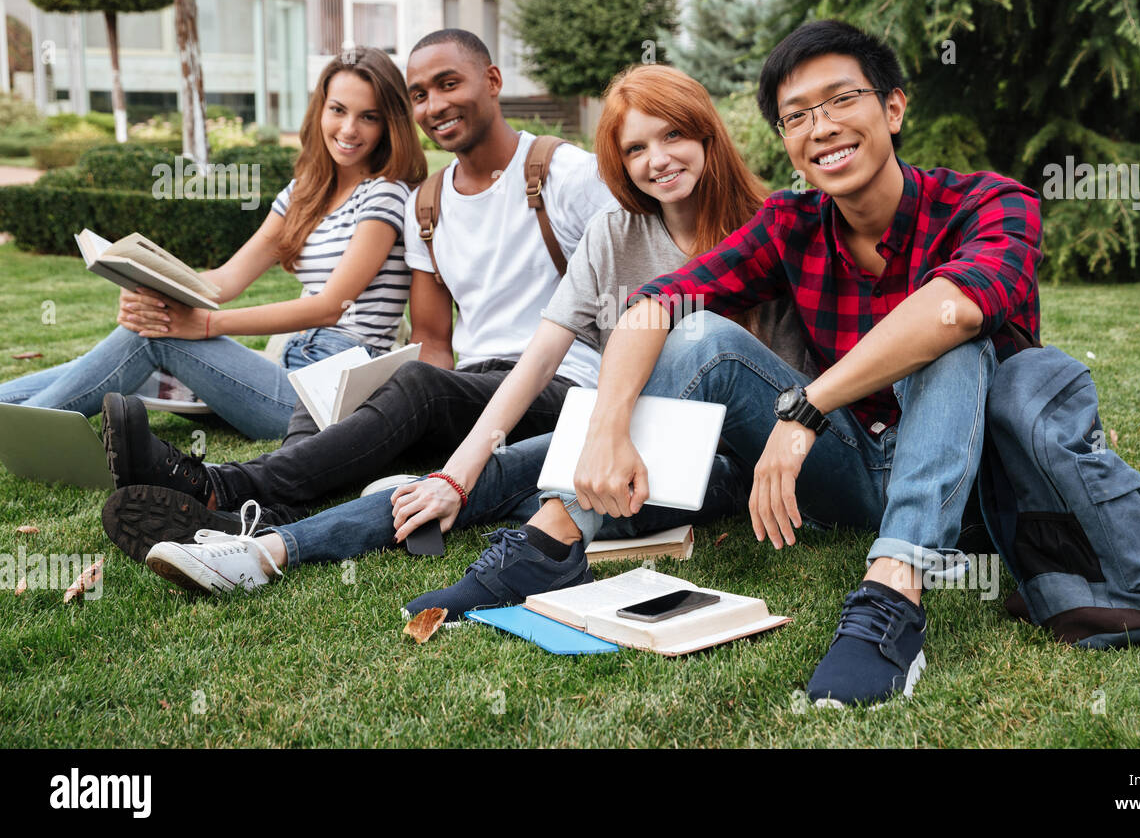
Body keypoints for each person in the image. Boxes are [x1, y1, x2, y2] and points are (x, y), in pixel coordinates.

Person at [442, 20, 1041, 709]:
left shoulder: (992, 202)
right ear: (785, 137)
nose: (822, 127)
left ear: (893, 108)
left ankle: (892, 596)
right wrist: (606, 429)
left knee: (948, 338)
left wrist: (806, 407)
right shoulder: (791, 222)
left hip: (958, 477)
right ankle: (550, 543)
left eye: (842, 101)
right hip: (849, 469)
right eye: (798, 116)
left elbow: (956, 310)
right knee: (698, 332)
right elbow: (653, 303)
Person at [119, 64, 814, 594]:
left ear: (705, 133)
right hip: (613, 435)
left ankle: (285, 519)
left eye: (673, 136)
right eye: (635, 150)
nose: (657, 160)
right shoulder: (614, 233)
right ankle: (262, 551)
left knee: (517, 481)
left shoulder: (769, 228)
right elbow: (541, 356)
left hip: (722, 458)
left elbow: (785, 382)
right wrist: (456, 472)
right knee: (474, 480)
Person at [96, 29, 613, 559]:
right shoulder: (428, 205)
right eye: (419, 95)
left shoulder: (566, 173)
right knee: (337, 392)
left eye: (449, 84)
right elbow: (434, 340)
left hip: (564, 392)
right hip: (477, 396)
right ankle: (253, 518)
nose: (435, 105)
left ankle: (220, 485)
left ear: (493, 81)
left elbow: (635, 303)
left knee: (419, 388)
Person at [0, 46, 425, 441]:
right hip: (289, 370)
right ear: (320, 111)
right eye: (338, 110)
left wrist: (207, 324)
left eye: (368, 116)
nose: (349, 129)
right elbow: (225, 280)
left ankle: (27, 434)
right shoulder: (303, 191)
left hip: (328, 395)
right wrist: (153, 292)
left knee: (158, 336)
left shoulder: (385, 194)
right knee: (146, 330)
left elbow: (331, 305)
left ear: (390, 124)